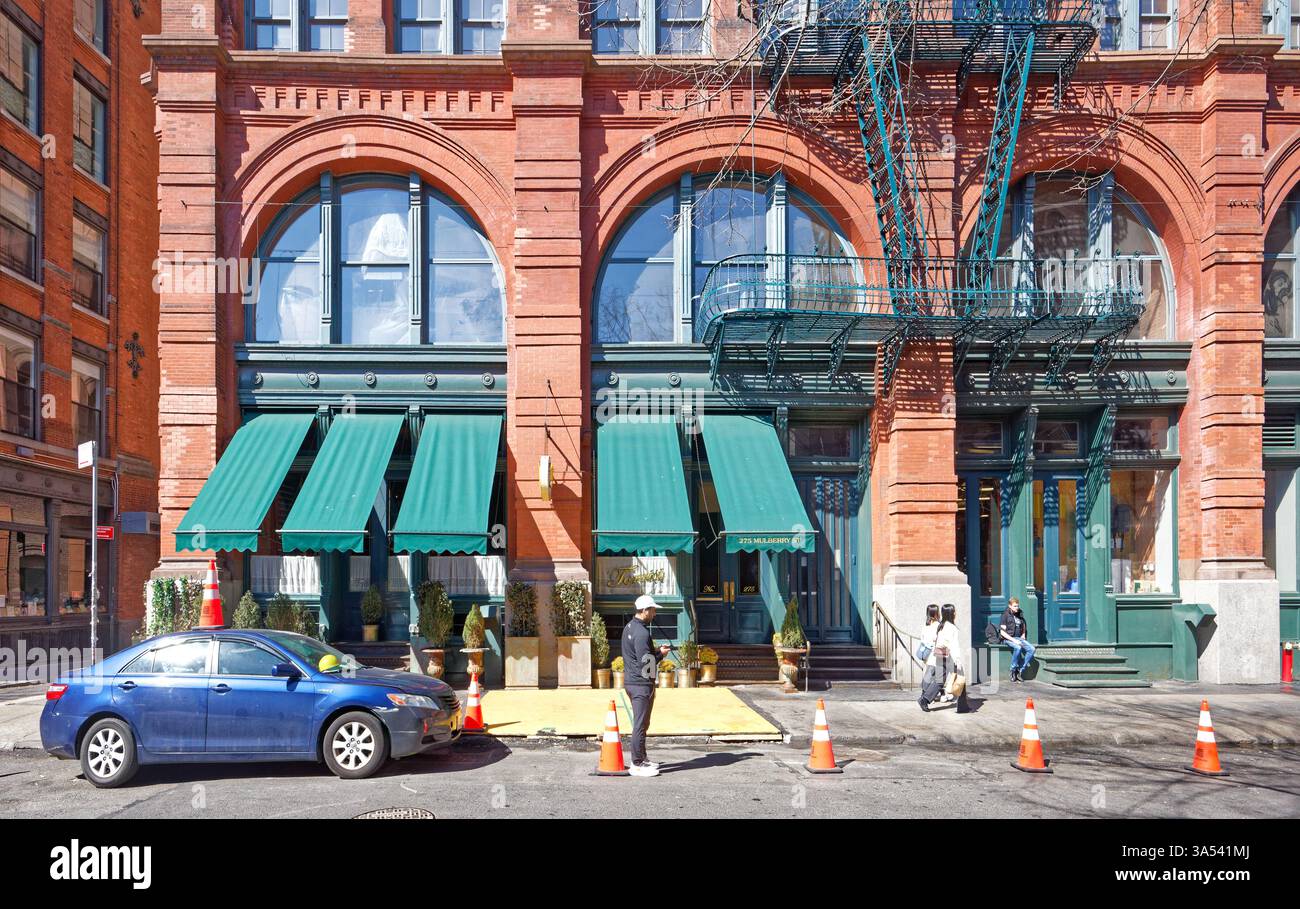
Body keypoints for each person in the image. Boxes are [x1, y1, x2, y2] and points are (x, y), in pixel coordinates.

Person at [622, 594, 671, 777]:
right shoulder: (642, 633)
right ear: (644, 611)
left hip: (632, 681)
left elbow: (638, 654)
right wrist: (660, 655)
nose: (655, 613)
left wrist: (656, 650)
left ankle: (642, 758)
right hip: (641, 684)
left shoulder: (629, 627)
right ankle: (637, 764)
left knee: (642, 723)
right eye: (653, 610)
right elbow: (646, 663)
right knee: (640, 724)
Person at [918, 603, 969, 713]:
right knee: (959, 678)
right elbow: (953, 645)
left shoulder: (942, 625)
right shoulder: (951, 627)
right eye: (954, 611)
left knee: (941, 680)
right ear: (951, 613)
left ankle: (924, 700)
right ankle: (962, 706)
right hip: (950, 657)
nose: (955, 613)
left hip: (940, 655)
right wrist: (957, 660)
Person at [999, 596, 1035, 682]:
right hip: (1008, 639)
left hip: (1019, 638)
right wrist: (1014, 640)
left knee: (1032, 649)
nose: (1017, 608)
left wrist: (1023, 634)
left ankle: (1019, 670)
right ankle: (1013, 670)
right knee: (1018, 647)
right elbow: (1002, 633)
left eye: (1017, 606)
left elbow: (1023, 623)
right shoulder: (1005, 615)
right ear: (1010, 606)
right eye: (1015, 606)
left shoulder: (1019, 613)